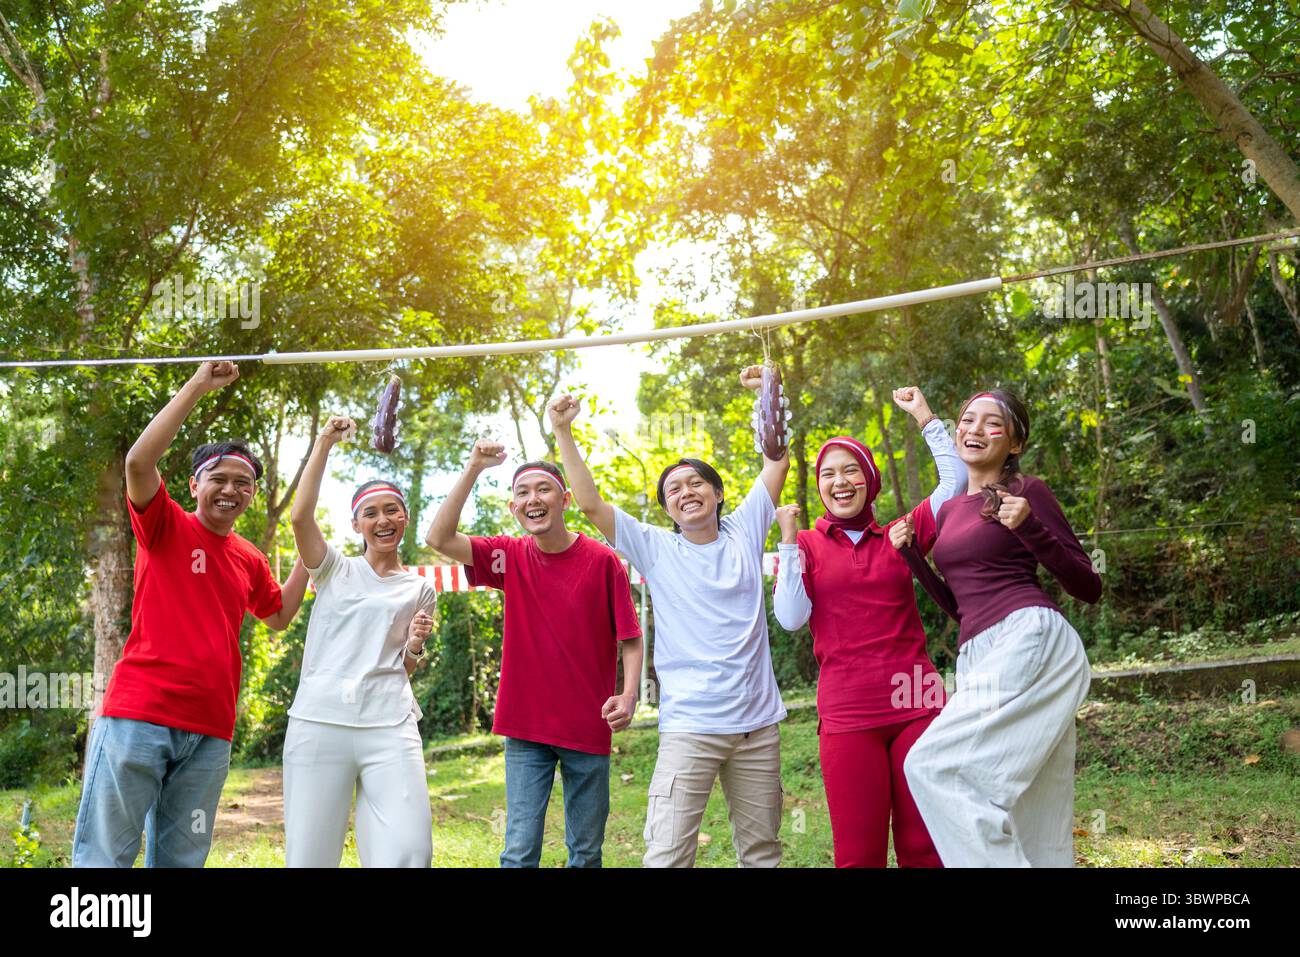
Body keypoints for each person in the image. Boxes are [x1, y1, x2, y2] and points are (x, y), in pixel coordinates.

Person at [72, 360, 308, 868]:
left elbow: (279, 614)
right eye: (219, 478)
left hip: (210, 733)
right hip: (140, 717)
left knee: (183, 856)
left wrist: (313, 558)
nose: (231, 489)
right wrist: (199, 384)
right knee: (105, 856)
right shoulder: (166, 526)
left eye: (243, 483)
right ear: (194, 484)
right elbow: (138, 462)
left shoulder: (249, 556)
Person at [552, 366, 790, 868]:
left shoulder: (745, 530)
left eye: (697, 482)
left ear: (719, 493)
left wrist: (767, 391)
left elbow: (776, 459)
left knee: (763, 852)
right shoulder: (657, 549)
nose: (687, 491)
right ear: (667, 508)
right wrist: (563, 431)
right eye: (674, 489)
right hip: (690, 727)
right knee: (666, 854)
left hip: (757, 728)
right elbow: (591, 504)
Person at [897, 389, 1102, 867]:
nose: (974, 429)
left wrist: (1030, 527)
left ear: (1013, 443)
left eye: (992, 423)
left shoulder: (1027, 491)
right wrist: (913, 558)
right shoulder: (949, 511)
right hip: (979, 650)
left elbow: (1088, 586)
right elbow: (961, 606)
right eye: (967, 419)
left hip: (1029, 637)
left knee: (933, 767)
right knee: (1033, 810)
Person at [425, 439, 643, 868]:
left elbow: (630, 636)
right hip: (525, 728)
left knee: (585, 852)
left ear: (564, 500)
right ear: (513, 508)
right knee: (520, 852)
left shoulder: (602, 561)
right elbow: (438, 537)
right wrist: (473, 467)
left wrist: (630, 693)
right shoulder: (508, 556)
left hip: (588, 726)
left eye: (542, 489)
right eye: (522, 493)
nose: (532, 499)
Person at [772, 386, 966, 867]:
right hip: (848, 713)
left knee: (925, 844)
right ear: (819, 487)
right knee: (859, 853)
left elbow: (956, 481)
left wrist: (924, 415)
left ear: (869, 480)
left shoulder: (901, 532)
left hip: (917, 701)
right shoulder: (807, 547)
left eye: (851, 470)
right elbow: (791, 618)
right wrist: (788, 543)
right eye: (828, 474)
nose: (840, 481)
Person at [282, 415, 436, 867]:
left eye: (392, 510)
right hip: (319, 721)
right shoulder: (333, 569)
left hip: (390, 724)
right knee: (310, 857)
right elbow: (299, 516)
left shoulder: (420, 588)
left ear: (405, 518)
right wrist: (326, 441)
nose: (382, 520)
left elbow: (406, 665)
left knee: (410, 851)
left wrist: (414, 646)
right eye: (371, 513)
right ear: (356, 524)